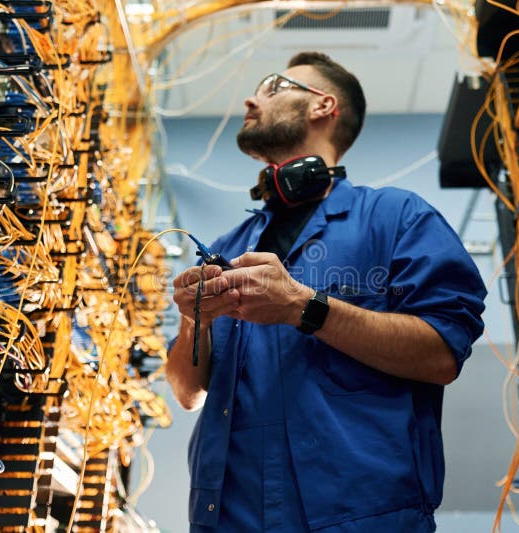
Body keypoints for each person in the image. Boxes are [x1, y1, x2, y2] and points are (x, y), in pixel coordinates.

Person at [166, 51, 487, 532]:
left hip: (361, 518)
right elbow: (189, 393)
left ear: (324, 106)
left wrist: (303, 307)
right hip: (227, 517)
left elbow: (442, 354)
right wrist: (197, 320)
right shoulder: (228, 249)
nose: (252, 99)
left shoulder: (397, 218)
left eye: (274, 86)